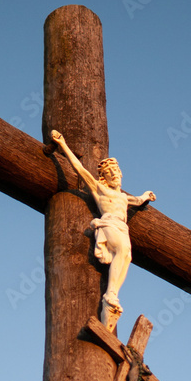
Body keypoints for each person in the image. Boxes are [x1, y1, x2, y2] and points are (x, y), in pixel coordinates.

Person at [50, 130, 156, 329]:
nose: (114, 174)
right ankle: (110, 296)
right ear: (104, 178)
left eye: (116, 171)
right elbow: (80, 169)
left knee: (126, 257)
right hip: (109, 224)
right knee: (123, 252)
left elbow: (138, 200)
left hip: (122, 228)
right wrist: (63, 144)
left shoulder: (124, 197)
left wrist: (146, 195)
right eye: (110, 173)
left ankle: (112, 297)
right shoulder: (101, 189)